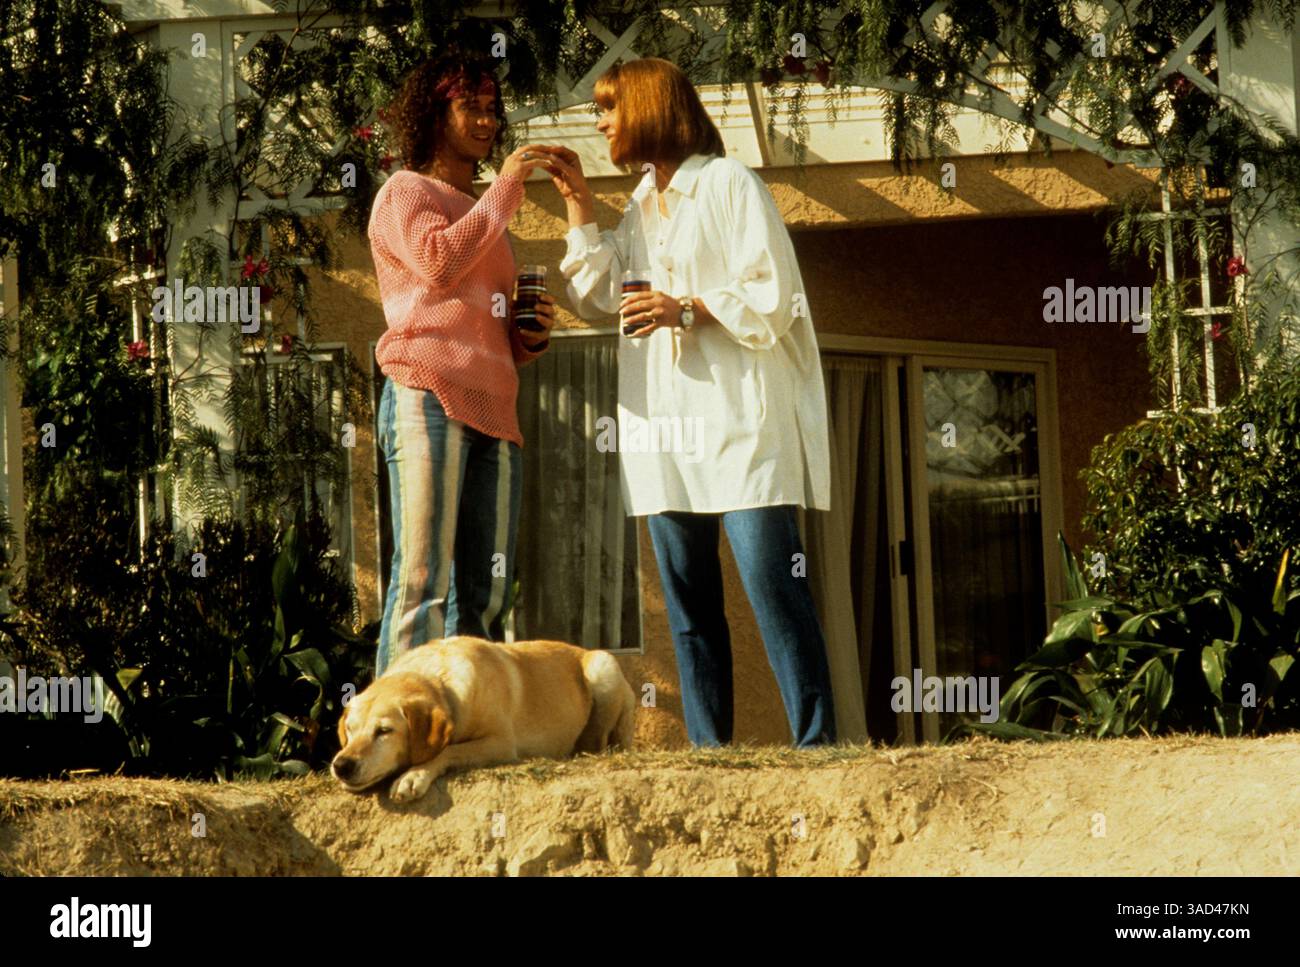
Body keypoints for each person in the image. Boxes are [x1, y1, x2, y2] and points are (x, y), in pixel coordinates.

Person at [539, 57, 838, 746]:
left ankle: (820, 745)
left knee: (774, 588)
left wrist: (688, 308)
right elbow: (598, 298)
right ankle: (709, 751)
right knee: (690, 608)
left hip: (740, 424)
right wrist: (581, 205)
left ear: (648, 105)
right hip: (666, 432)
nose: (601, 120)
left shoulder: (730, 183)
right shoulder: (643, 202)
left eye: (611, 107)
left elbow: (775, 296)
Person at [368, 54, 561, 676]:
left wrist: (527, 337)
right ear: (434, 113)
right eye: (469, 106)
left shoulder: (486, 220)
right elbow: (437, 264)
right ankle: (398, 724)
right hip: (427, 395)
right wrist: (504, 190)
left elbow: (486, 329)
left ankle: (472, 722)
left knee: (489, 594)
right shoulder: (405, 192)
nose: (486, 120)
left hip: (496, 413)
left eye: (491, 109)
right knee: (423, 577)